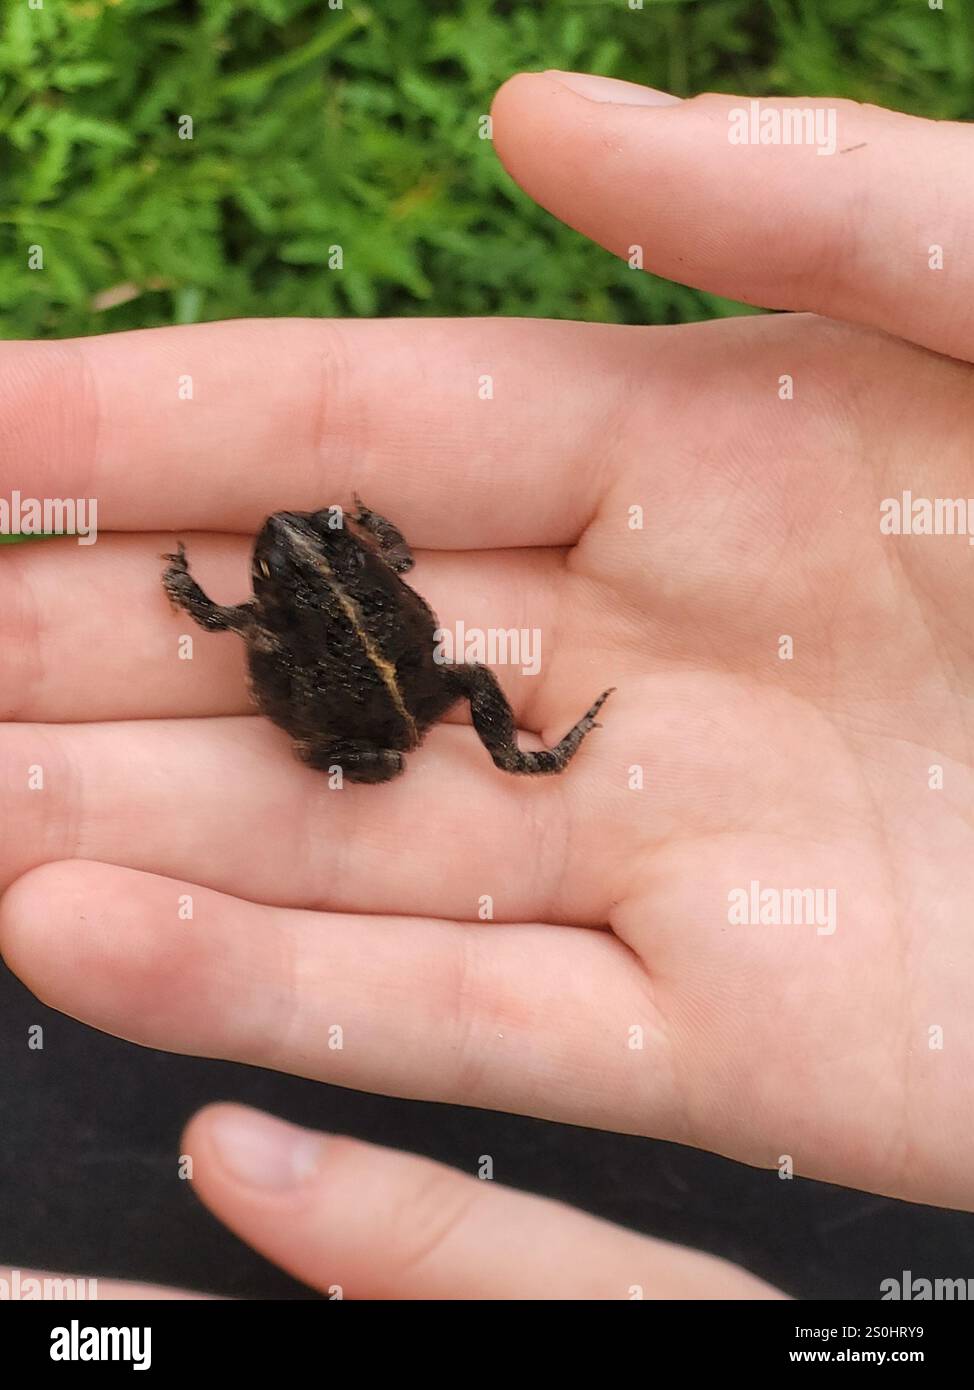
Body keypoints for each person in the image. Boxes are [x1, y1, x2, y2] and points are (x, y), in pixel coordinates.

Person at [2, 72, 971, 1298]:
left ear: (322, 557)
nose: (296, 545)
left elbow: (223, 610)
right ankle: (527, 754)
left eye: (309, 537)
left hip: (373, 712)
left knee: (430, 683)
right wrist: (337, 548)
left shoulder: (272, 600)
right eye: (295, 547)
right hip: (380, 707)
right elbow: (381, 564)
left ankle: (527, 757)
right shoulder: (340, 577)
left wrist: (198, 579)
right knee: (450, 676)